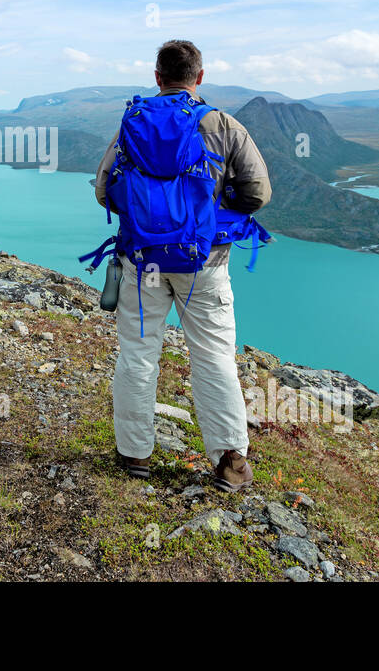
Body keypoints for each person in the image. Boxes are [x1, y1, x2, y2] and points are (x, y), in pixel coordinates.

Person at [94, 40, 272, 491]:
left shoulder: (132, 122)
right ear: (200, 77)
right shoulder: (223, 125)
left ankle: (135, 455)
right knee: (213, 358)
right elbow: (258, 194)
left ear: (157, 77)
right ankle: (231, 461)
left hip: (143, 264)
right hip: (204, 263)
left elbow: (103, 190)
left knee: (138, 354)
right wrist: (209, 213)